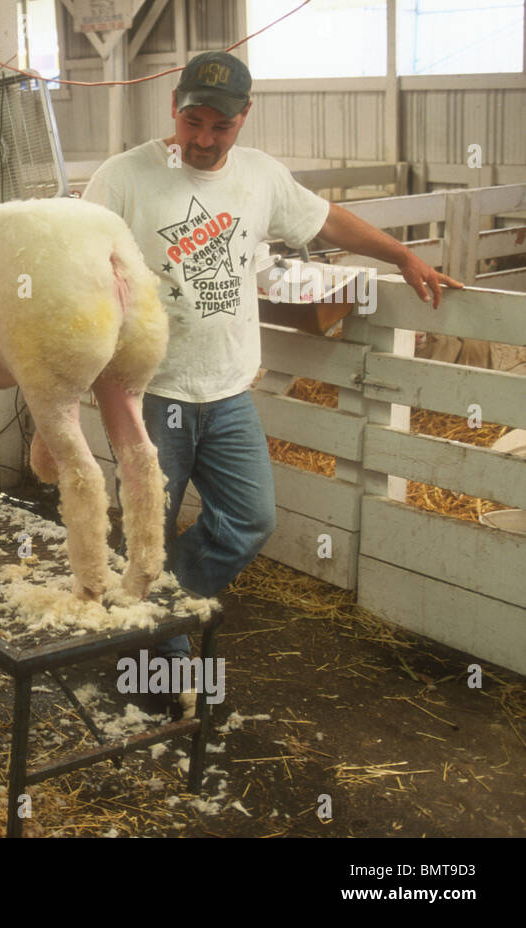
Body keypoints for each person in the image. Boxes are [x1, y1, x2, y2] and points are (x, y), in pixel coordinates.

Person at [83, 52, 461, 708]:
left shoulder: (261, 178)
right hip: (150, 392)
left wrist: (400, 254)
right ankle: (154, 656)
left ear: (243, 119)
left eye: (219, 127)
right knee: (149, 525)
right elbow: (78, 266)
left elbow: (327, 221)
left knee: (249, 520)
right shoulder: (122, 179)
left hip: (228, 389)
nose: (202, 139)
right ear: (173, 106)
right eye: (192, 121)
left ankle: (159, 601)